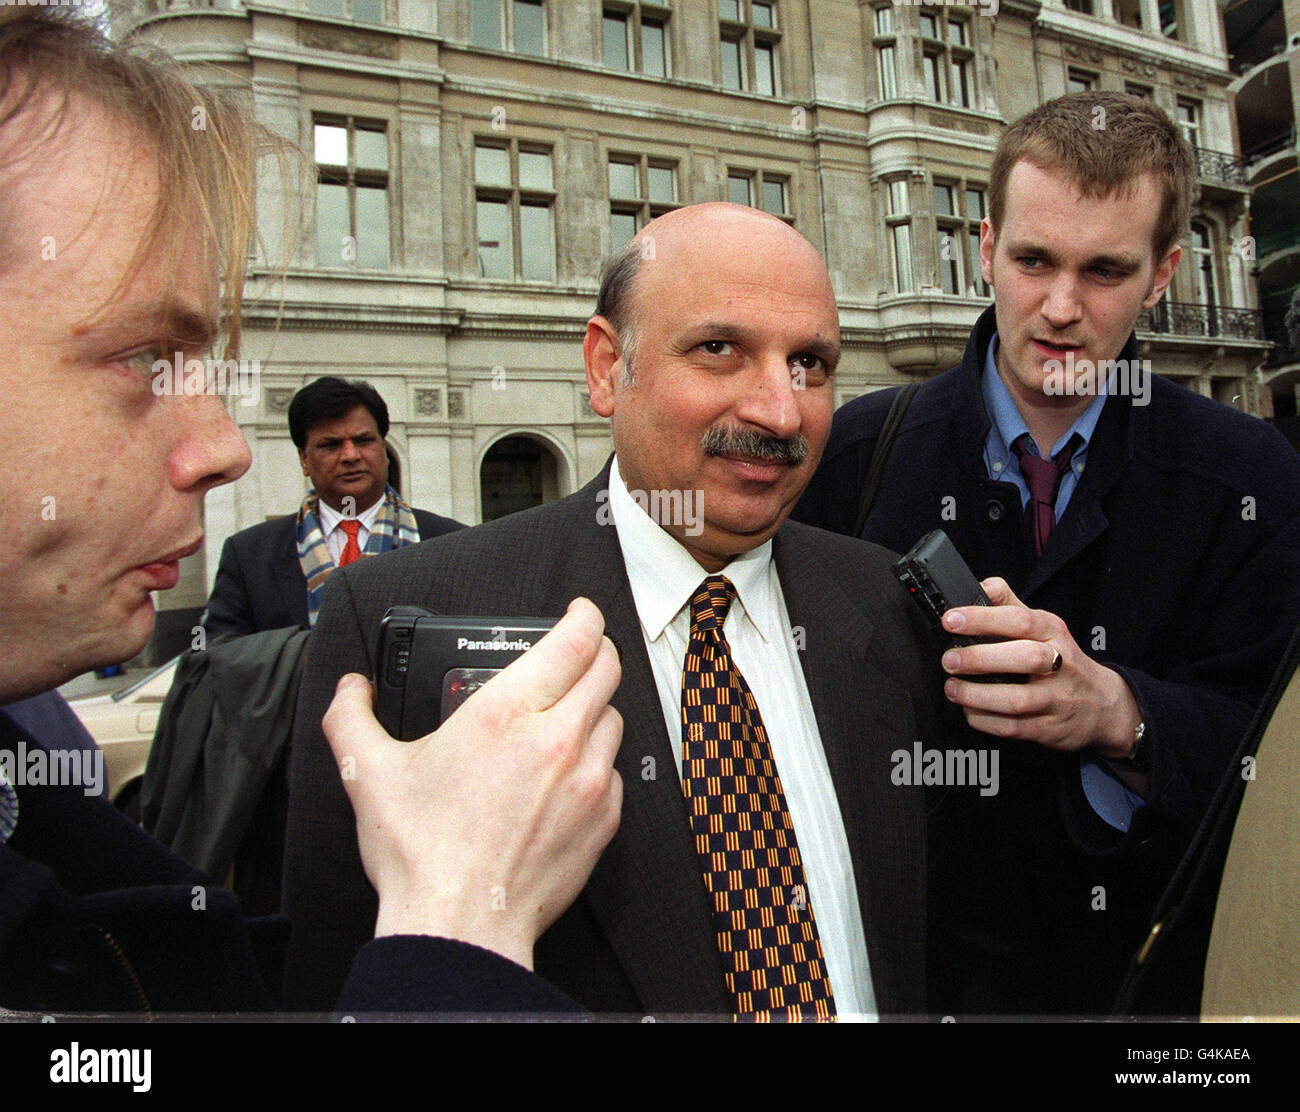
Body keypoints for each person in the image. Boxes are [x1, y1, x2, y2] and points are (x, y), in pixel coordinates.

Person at [0, 6, 620, 1015]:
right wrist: (457, 921)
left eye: (364, 438)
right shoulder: (253, 555)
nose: (221, 446)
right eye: (145, 358)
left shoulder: (51, 815)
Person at [282, 202, 953, 1020]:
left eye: (809, 362)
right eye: (719, 350)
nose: (782, 412)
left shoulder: (888, 603)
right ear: (606, 368)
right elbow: (337, 982)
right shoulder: (398, 616)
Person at [794, 92, 1300, 1015]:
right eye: (1033, 261)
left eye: (1105, 270)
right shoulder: (853, 456)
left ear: (1162, 274)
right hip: (902, 985)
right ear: (986, 247)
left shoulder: (1253, 477)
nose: (1061, 309)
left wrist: (1121, 714)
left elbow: (1277, 765)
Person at [203, 376, 462, 638]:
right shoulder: (248, 555)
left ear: (383, 449)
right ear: (304, 460)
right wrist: (303, 652)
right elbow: (215, 653)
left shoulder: (454, 544)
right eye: (331, 445)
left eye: (363, 441)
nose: (350, 456)